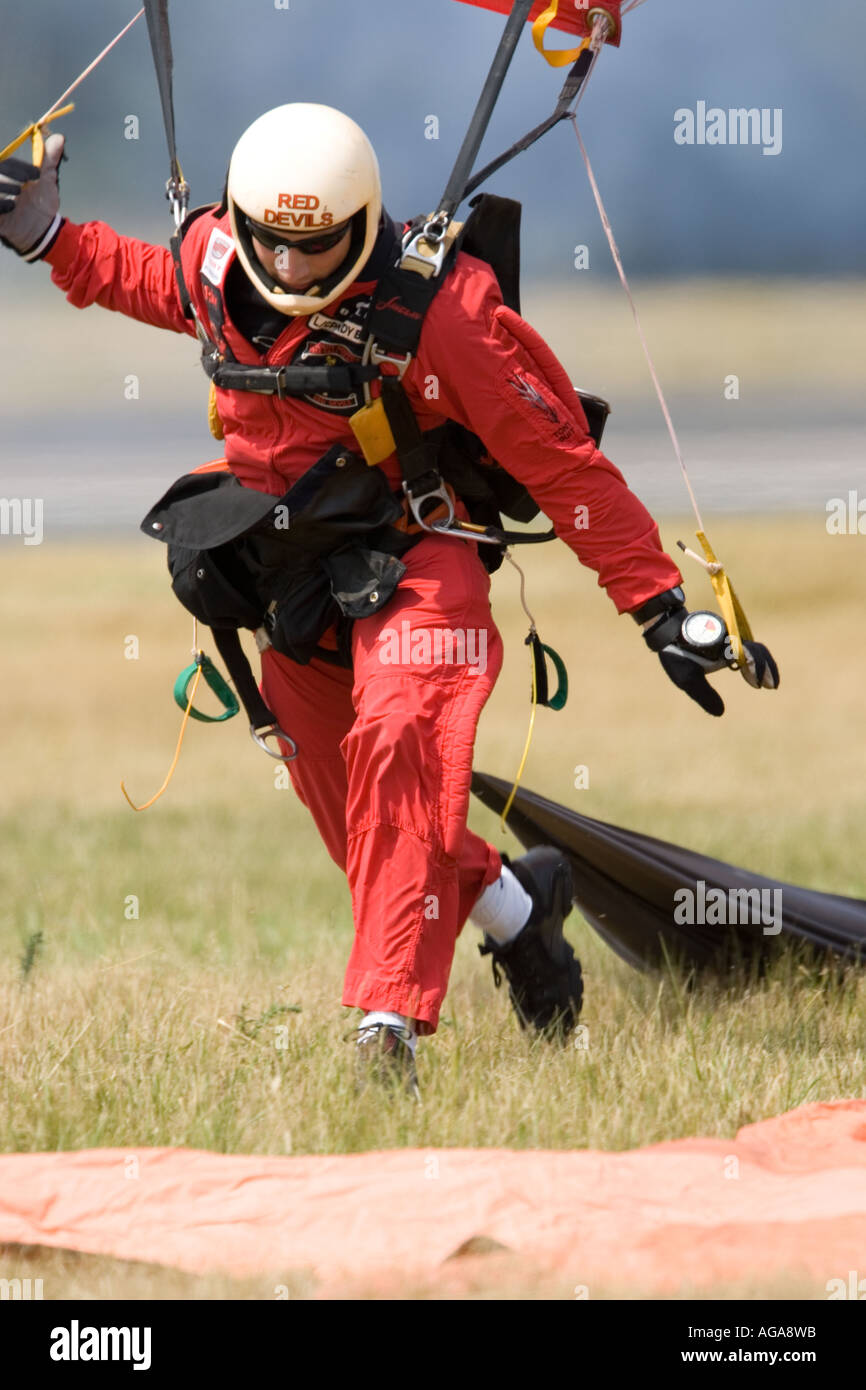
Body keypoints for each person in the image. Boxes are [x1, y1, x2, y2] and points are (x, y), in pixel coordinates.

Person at [0, 104, 778, 1096]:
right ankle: (511, 907)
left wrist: (660, 605)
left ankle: (386, 1030)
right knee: (365, 818)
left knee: (402, 743)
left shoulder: (439, 309)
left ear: (361, 222)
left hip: (421, 555)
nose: (286, 269)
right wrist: (48, 238)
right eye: (269, 243)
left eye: (314, 245)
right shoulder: (211, 263)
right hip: (295, 575)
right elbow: (152, 280)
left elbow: (558, 462)